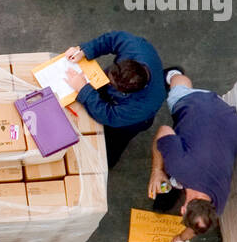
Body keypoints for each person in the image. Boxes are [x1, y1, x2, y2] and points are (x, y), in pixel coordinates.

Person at [148, 67, 237, 242]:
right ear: (183, 210)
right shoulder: (180, 167)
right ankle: (174, 74)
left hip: (229, 122)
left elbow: (197, 225)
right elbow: (164, 131)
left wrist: (181, 238)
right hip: (198, 104)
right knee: (178, 94)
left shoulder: (219, 202)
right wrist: (157, 171)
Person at [62, 31, 165, 168]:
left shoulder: (140, 107)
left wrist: (83, 89)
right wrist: (84, 50)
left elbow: (108, 115)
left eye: (111, 84)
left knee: (113, 142)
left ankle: (107, 162)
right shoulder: (136, 47)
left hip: (130, 123)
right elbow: (112, 39)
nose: (107, 82)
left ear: (125, 92)